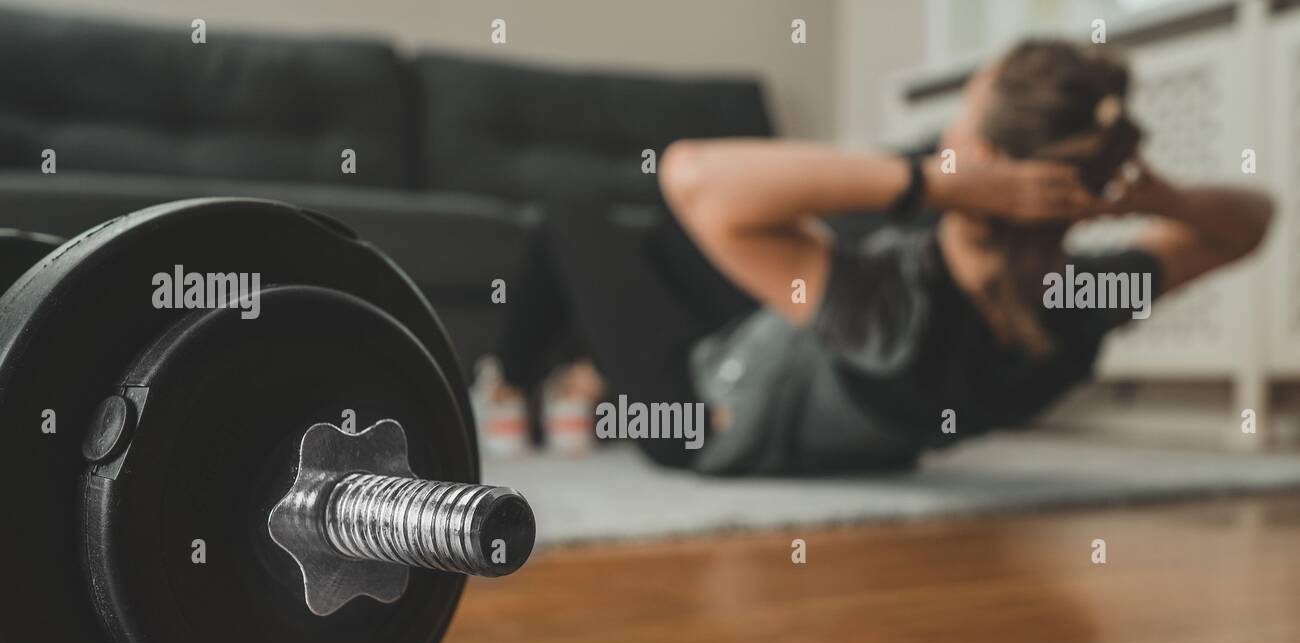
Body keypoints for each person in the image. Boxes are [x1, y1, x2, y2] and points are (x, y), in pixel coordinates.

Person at [485, 40, 1274, 475]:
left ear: (992, 163)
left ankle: (511, 383)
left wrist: (934, 183)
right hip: (801, 381)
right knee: (670, 252)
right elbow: (1253, 223)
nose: (943, 143)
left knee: (570, 210)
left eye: (959, 125)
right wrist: (1159, 200)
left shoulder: (895, 307)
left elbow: (689, 173)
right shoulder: (1080, 304)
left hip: (699, 416)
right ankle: (585, 377)